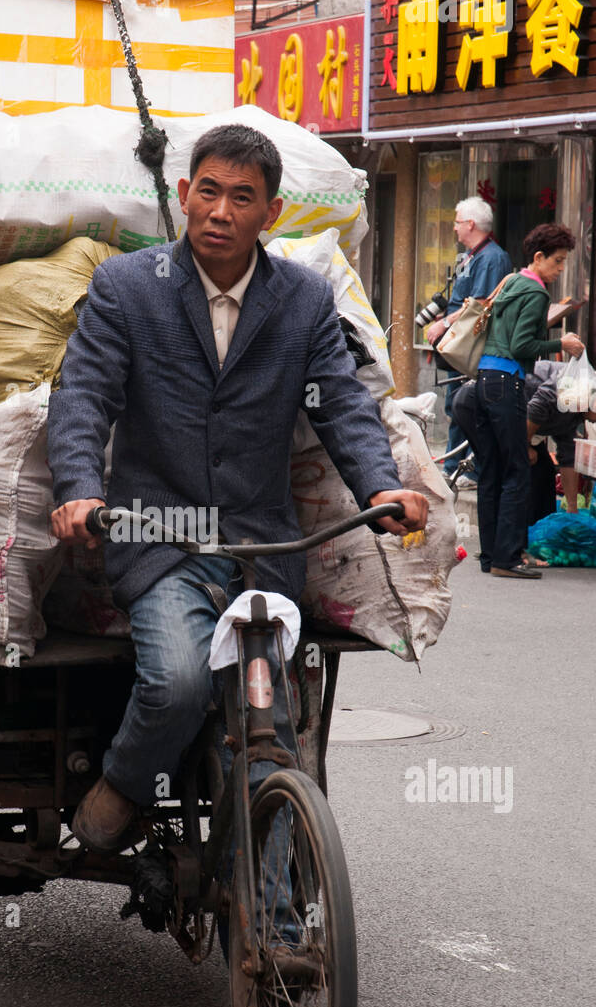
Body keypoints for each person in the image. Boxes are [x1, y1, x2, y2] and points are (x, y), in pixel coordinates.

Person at [47, 124, 428, 853]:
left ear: (271, 214)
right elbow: (82, 397)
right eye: (209, 192)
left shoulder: (304, 301)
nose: (221, 211)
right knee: (181, 683)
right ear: (185, 196)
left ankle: (280, 937)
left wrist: (381, 490)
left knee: (270, 733)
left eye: (241, 198)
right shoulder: (129, 288)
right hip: (156, 542)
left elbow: (341, 406)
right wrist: (77, 490)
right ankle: (123, 788)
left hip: (263, 548)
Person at [471, 222, 584, 580]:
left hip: (484, 379)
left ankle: (491, 554)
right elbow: (522, 347)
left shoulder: (510, 282)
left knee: (491, 470)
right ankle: (508, 558)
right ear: (539, 258)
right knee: (518, 468)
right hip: (506, 380)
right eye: (558, 261)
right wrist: (560, 344)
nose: (561, 269)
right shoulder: (535, 293)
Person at [424, 197, 512, 485]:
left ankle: (468, 468)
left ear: (471, 224)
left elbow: (479, 304)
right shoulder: (473, 256)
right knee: (455, 404)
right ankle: (453, 465)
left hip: (471, 346)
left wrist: (444, 323)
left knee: (465, 404)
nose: (454, 228)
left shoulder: (491, 258)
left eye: (458, 222)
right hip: (458, 343)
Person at [453, 367, 596, 538]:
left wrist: (572, 509)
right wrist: (525, 447)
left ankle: (535, 538)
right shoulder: (569, 389)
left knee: (543, 473)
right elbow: (535, 408)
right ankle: (501, 546)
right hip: (477, 404)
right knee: (504, 474)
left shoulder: (576, 414)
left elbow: (568, 458)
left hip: (508, 417)